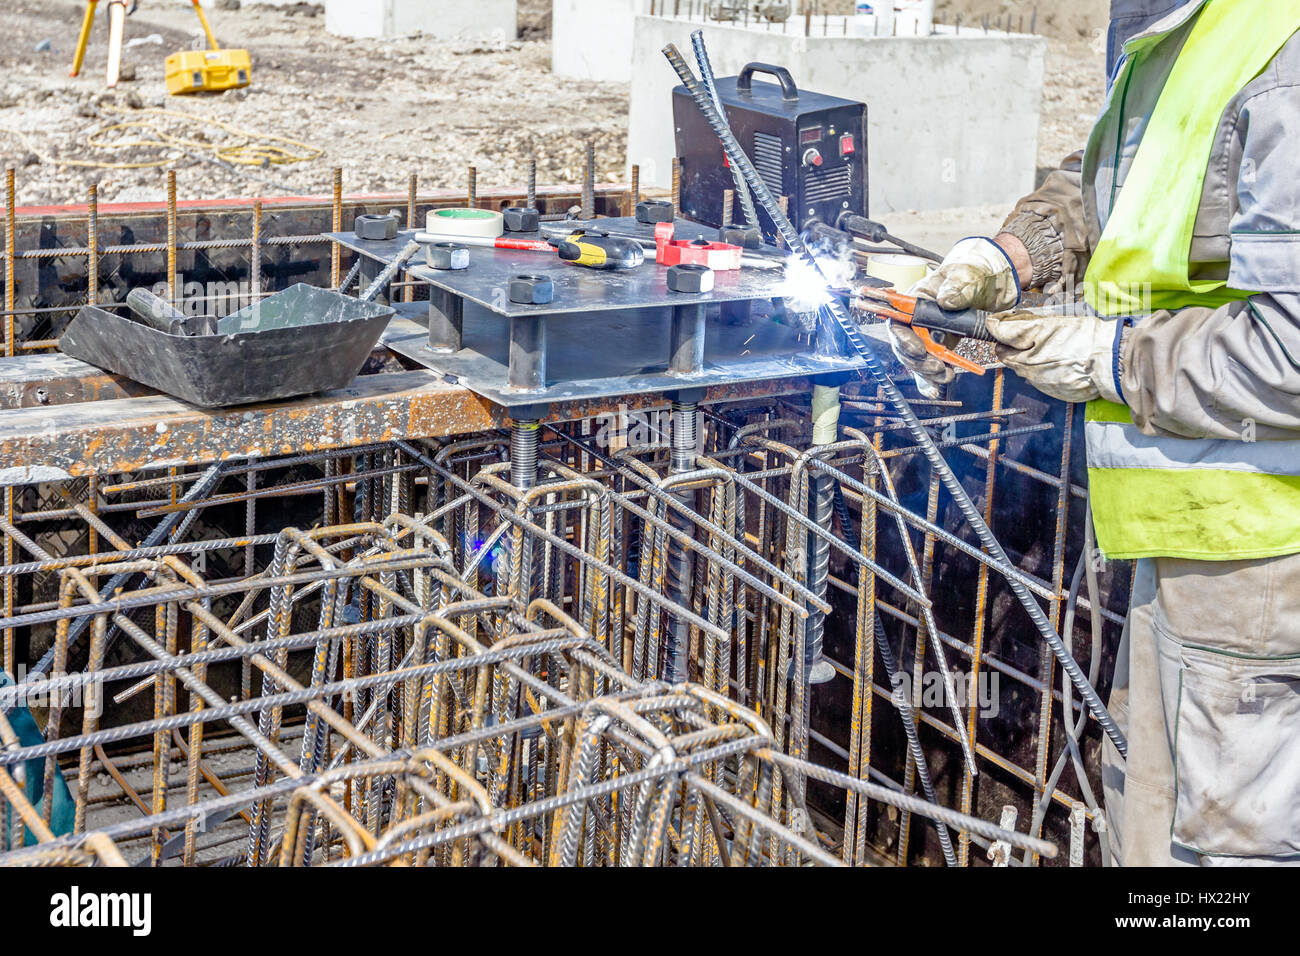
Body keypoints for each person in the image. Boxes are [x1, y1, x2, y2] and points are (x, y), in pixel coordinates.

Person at [892, 0, 1300, 865]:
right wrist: (1015, 251)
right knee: (1148, 841)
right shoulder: (1187, 27)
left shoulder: (1284, 49)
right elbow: (1122, 175)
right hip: (1185, 538)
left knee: (1226, 863)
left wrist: (1110, 360)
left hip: (1265, 561)